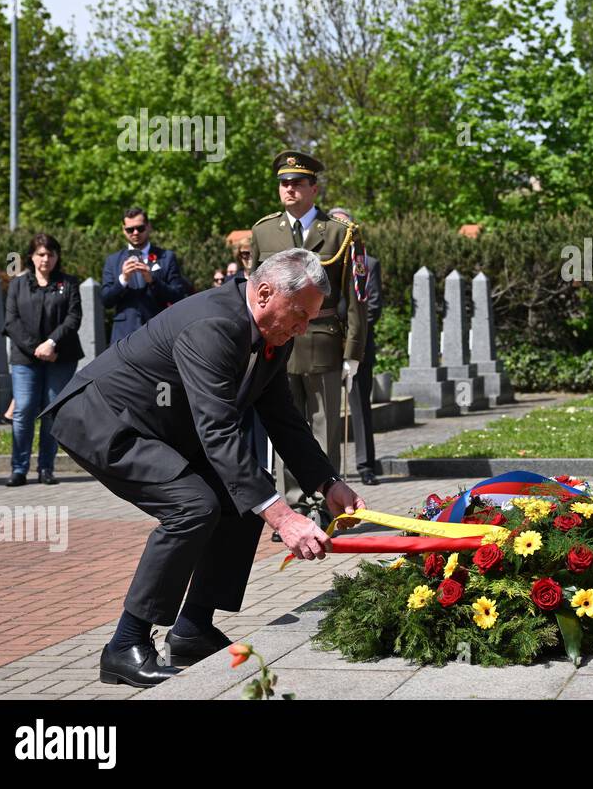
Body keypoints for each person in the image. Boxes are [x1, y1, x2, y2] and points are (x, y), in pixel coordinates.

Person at [43, 249, 367, 687]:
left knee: (244, 499)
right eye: (300, 315)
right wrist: (284, 517)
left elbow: (283, 419)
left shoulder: (274, 334)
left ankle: (192, 629)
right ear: (266, 292)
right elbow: (218, 431)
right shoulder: (214, 325)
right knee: (193, 506)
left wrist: (327, 483)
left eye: (310, 318)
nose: (303, 329)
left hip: (159, 426)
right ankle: (124, 645)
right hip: (104, 418)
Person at [249, 152, 367, 509]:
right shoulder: (264, 231)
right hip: (276, 343)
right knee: (283, 425)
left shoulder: (340, 233)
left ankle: (326, 502)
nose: (289, 189)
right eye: (284, 183)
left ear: (314, 188)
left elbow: (356, 297)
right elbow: (254, 293)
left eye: (298, 183)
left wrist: (353, 352)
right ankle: (295, 503)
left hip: (323, 339)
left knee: (325, 427)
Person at [3, 234, 83, 487]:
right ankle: (19, 468)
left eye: (50, 254)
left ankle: (46, 468)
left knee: (51, 411)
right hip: (25, 358)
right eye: (40, 254)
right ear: (31, 256)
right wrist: (36, 348)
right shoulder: (18, 284)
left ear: (57, 256)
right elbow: (11, 321)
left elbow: (73, 317)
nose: (45, 259)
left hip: (60, 356)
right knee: (24, 408)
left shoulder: (68, 283)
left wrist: (51, 343)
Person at [329, 208, 381, 486]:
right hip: (326, 343)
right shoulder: (322, 261)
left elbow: (371, 308)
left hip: (357, 344)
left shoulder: (368, 263)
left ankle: (365, 466)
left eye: (346, 225)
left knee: (359, 406)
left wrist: (352, 339)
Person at [101, 207, 188, 343]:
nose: (135, 233)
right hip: (124, 335)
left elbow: (178, 296)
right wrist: (123, 280)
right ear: (123, 230)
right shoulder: (113, 261)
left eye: (140, 228)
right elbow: (106, 301)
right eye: (130, 229)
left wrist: (152, 280)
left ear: (148, 227)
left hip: (158, 333)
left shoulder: (166, 257)